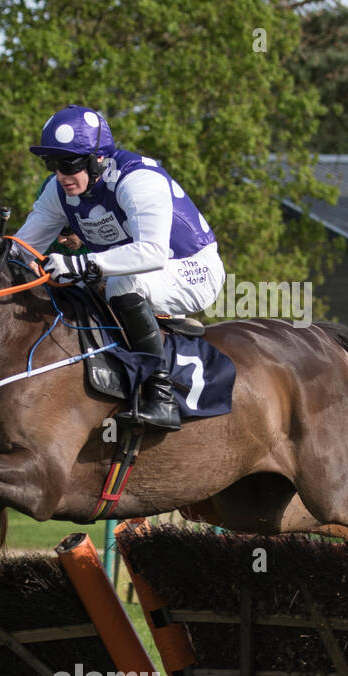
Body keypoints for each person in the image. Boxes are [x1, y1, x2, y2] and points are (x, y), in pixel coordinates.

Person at [14, 105, 224, 431]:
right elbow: (22, 248)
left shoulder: (137, 180)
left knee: (120, 285)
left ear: (98, 158)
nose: (59, 175)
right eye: (51, 164)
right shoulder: (60, 191)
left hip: (191, 269)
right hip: (135, 272)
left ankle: (162, 396)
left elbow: (152, 252)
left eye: (67, 164)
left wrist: (79, 263)